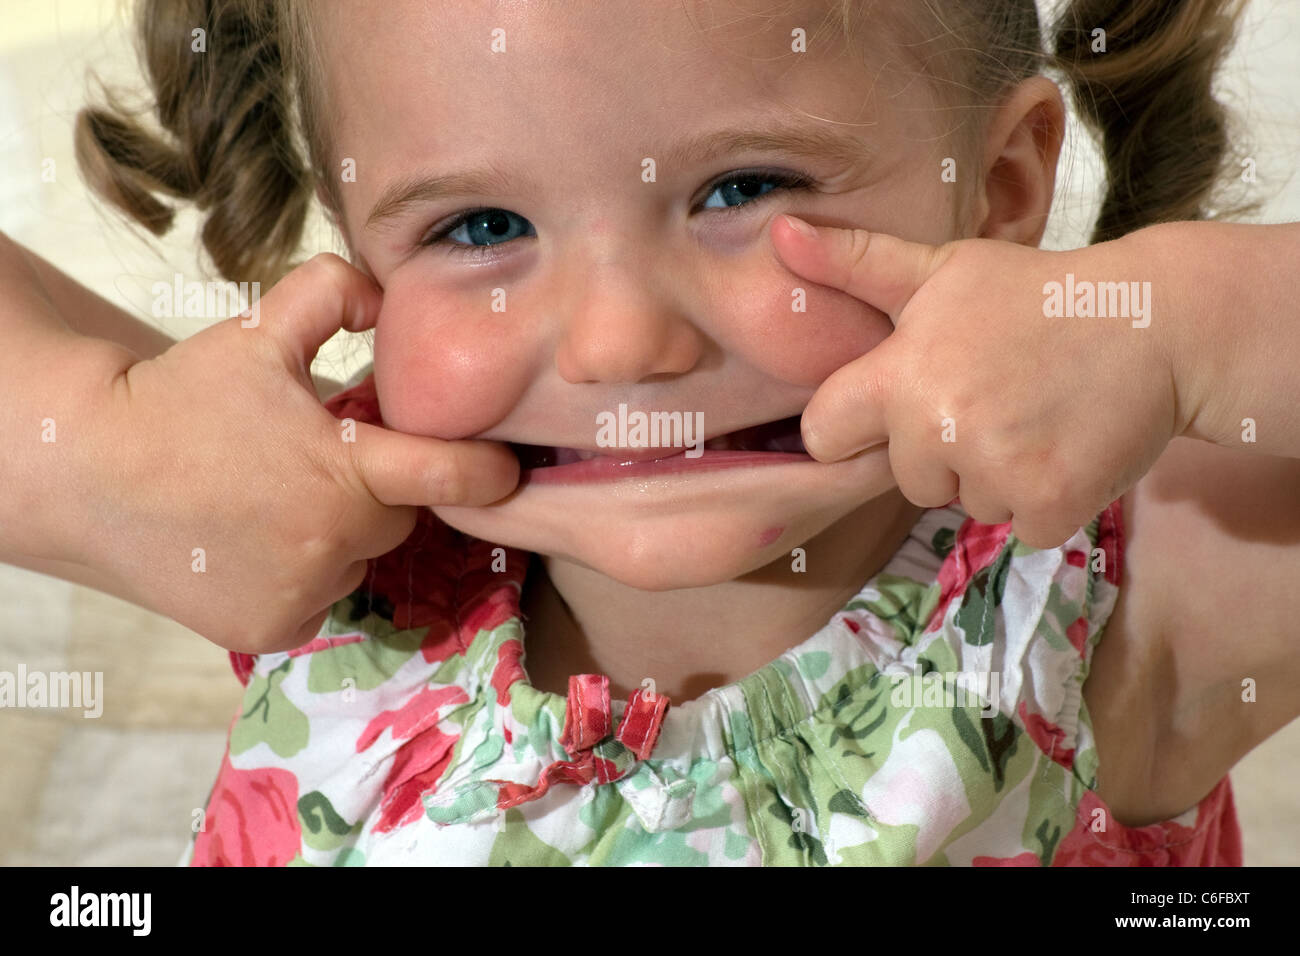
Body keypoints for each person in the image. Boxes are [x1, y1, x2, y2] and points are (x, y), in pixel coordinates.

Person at [9, 0, 1297, 864]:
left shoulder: (1100, 596)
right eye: (477, 229)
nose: (620, 344)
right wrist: (99, 448)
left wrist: (1183, 330)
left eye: (744, 190)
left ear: (1006, 187)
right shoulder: (327, 528)